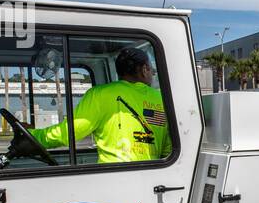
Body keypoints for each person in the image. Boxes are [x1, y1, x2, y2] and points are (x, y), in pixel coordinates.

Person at [22, 46, 170, 164]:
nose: (152, 74)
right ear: (144, 69)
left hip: (113, 178)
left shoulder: (100, 94)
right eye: (152, 70)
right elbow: (169, 147)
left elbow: (71, 132)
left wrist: (34, 135)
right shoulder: (163, 99)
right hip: (152, 177)